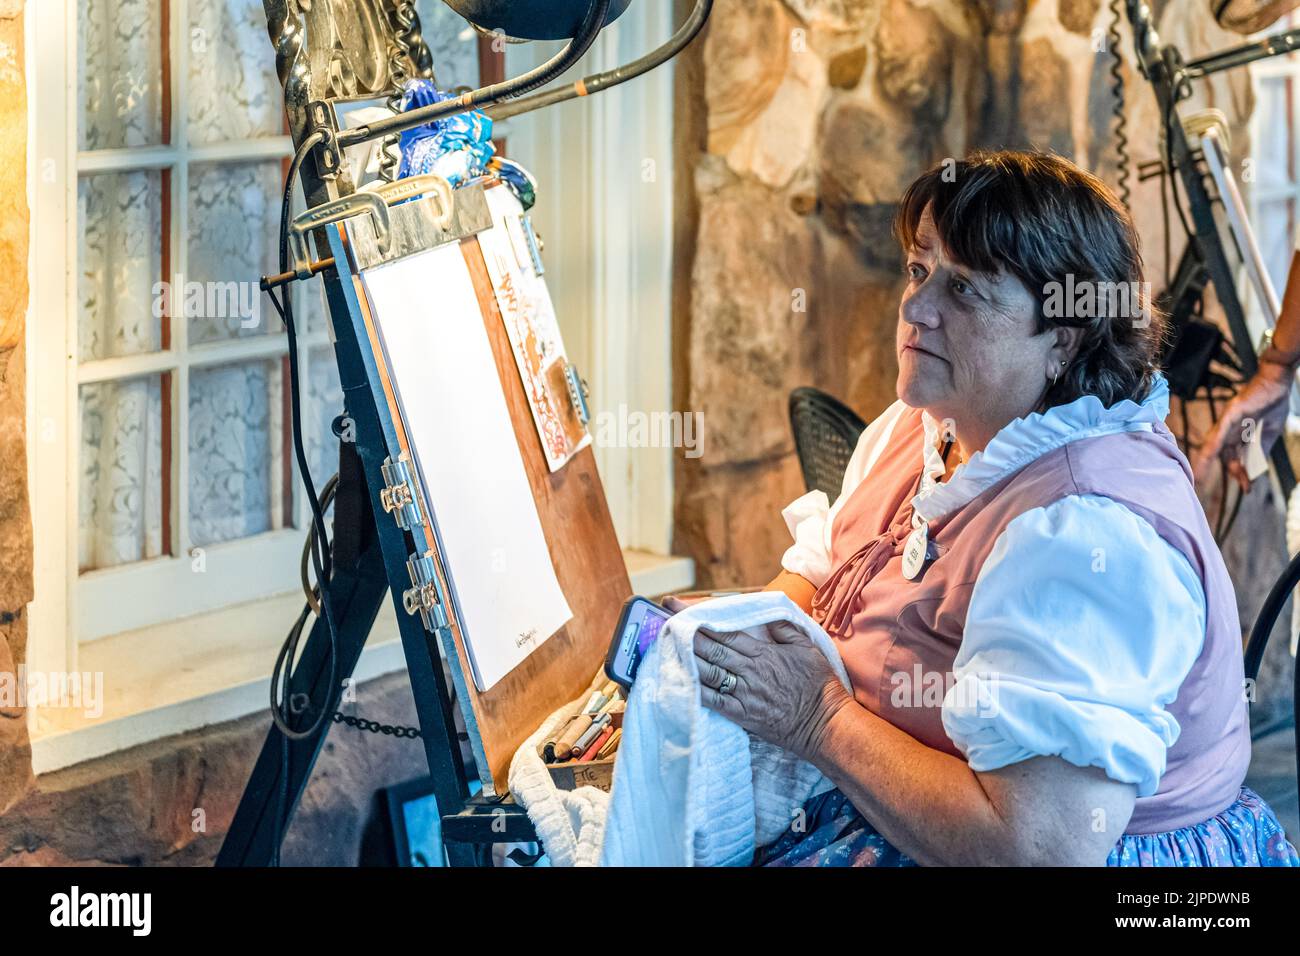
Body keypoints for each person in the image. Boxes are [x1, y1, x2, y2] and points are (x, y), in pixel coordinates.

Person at [692, 150, 1299, 866]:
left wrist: (816, 717)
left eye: (965, 291)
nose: (916, 309)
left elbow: (1035, 846)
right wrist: (732, 636)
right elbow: (826, 571)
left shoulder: (1087, 530)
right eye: (919, 272)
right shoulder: (928, 425)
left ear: (1063, 336)